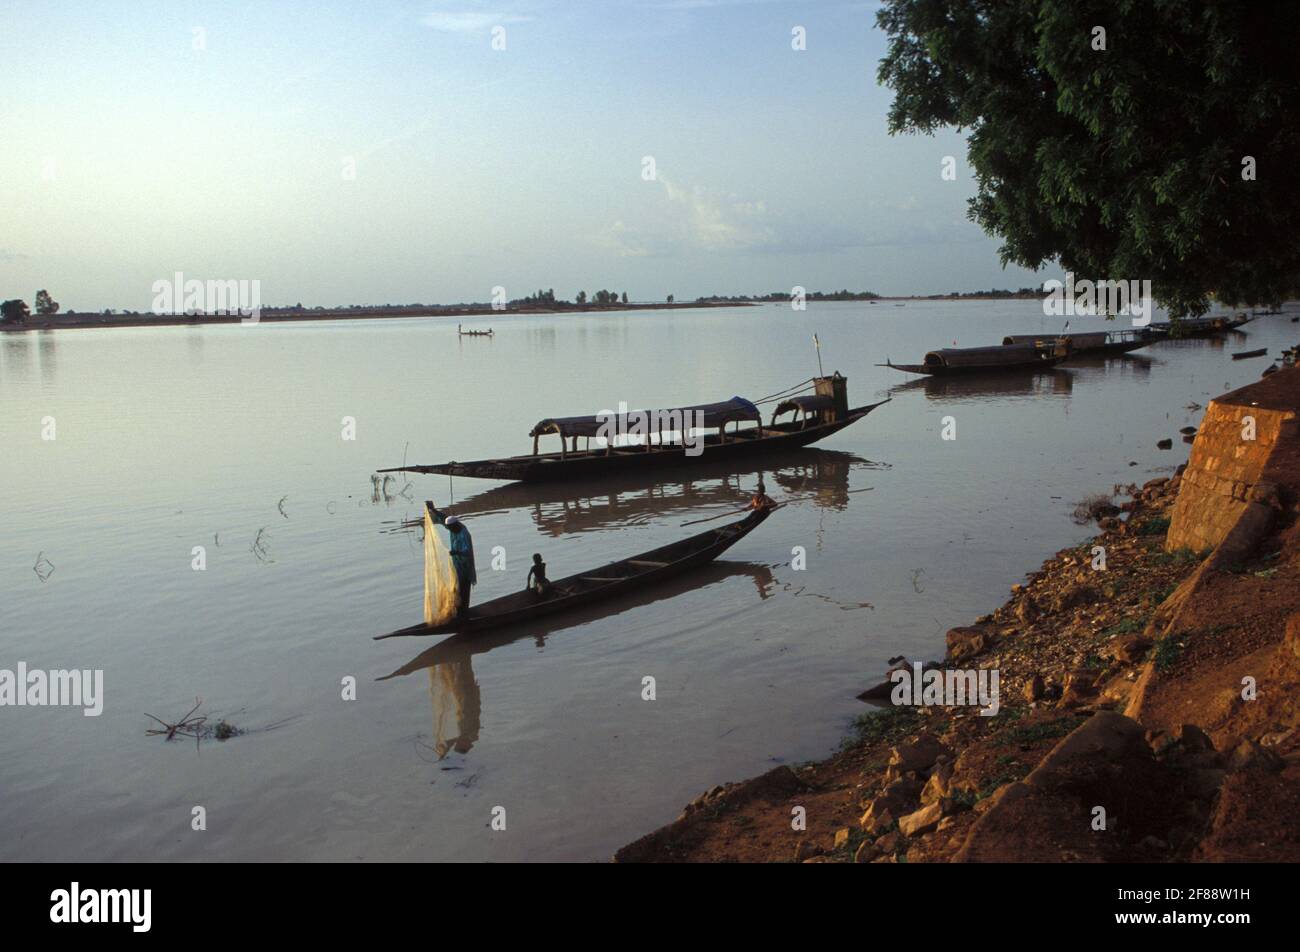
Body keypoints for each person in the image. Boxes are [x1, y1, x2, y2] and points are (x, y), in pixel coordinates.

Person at [431, 509, 477, 612]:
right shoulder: (453, 528)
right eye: (449, 528)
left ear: (455, 525)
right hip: (457, 565)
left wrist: (456, 552)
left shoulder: (464, 533)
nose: (450, 530)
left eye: (451, 528)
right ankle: (459, 610)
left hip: (465, 567)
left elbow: (467, 551)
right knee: (456, 589)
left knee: (463, 589)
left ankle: (463, 612)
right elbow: (444, 519)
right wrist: (433, 509)